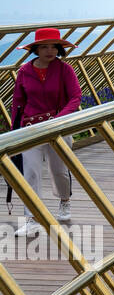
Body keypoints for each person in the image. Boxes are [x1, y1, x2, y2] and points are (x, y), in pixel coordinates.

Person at [9, 28, 83, 236]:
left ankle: (64, 200)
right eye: (44, 46)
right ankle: (32, 219)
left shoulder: (65, 70)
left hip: (57, 127)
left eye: (53, 46)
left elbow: (75, 98)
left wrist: (59, 120)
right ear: (35, 49)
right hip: (30, 129)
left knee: (59, 170)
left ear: (59, 48)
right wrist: (16, 130)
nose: (49, 50)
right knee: (30, 172)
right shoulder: (24, 71)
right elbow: (18, 102)